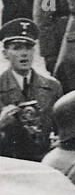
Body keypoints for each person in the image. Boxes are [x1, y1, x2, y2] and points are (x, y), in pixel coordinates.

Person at [0, 18, 62, 161]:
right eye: (17, 48)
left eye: (28, 47)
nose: (24, 53)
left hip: (44, 161)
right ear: (5, 54)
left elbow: (62, 129)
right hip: (7, 163)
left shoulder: (53, 87)